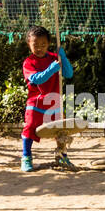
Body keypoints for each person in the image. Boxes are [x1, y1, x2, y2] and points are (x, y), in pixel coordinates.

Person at [21, 26, 72, 173]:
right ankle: (26, 158)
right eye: (35, 45)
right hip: (35, 102)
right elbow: (37, 79)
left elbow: (68, 74)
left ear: (48, 44)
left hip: (53, 101)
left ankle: (62, 155)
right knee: (30, 127)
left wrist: (63, 57)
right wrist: (52, 69)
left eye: (43, 45)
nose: (39, 48)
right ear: (29, 44)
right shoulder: (28, 62)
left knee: (61, 130)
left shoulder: (53, 58)